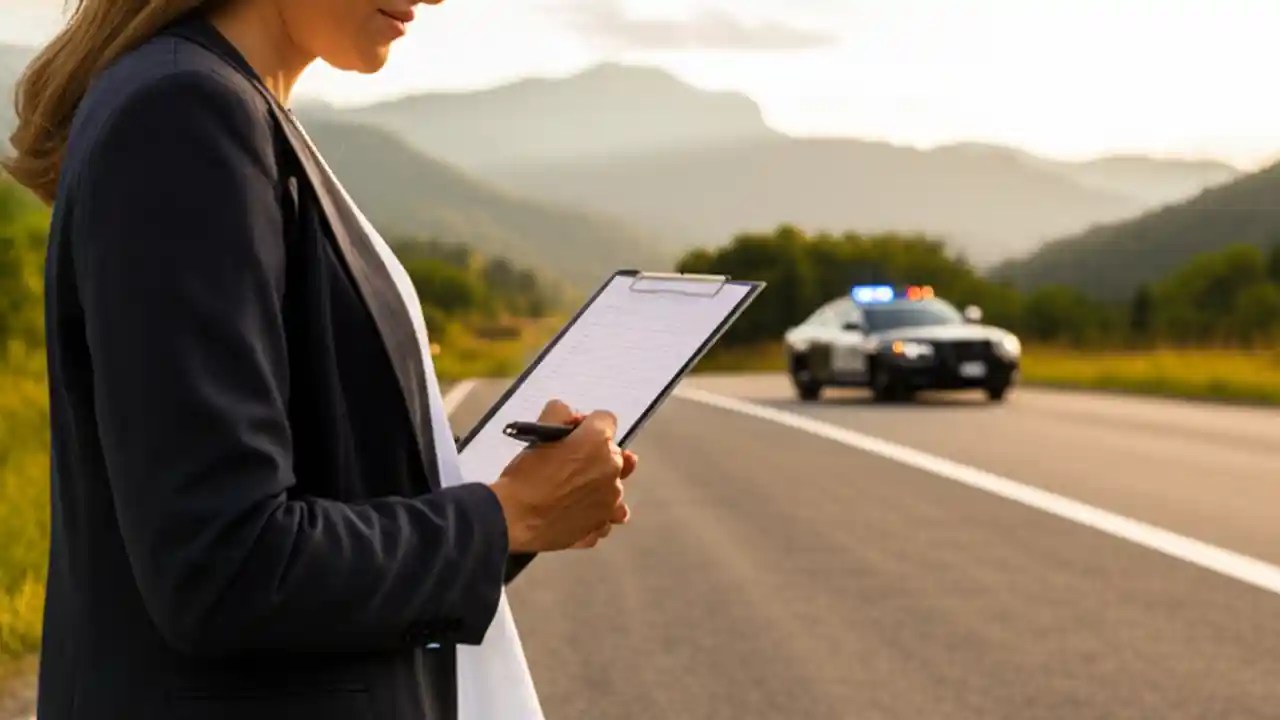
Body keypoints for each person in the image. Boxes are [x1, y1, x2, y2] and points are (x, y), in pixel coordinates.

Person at [3, 1, 639, 718]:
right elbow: (225, 568)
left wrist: (516, 502)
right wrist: (503, 518)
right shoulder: (184, 113)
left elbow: (318, 478)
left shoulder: (231, 102)